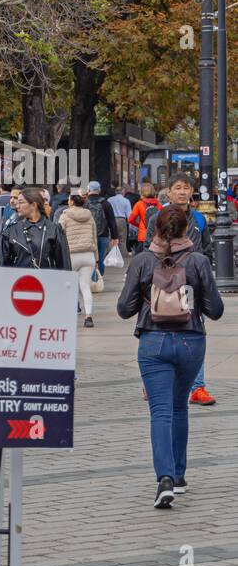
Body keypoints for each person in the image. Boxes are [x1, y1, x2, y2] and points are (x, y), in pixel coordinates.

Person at [116, 205, 224, 508]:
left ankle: (164, 478)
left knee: (160, 411)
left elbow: (124, 309)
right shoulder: (199, 261)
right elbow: (215, 310)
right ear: (186, 229)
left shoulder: (142, 261)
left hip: (153, 342)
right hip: (191, 341)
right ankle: (179, 476)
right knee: (180, 407)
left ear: (154, 229)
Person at [145, 173, 216, 405]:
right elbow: (148, 249)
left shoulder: (198, 218)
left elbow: (206, 248)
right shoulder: (156, 217)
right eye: (177, 188)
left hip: (190, 285)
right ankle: (152, 381)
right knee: (156, 326)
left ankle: (197, 386)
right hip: (162, 282)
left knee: (194, 328)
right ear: (169, 192)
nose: (182, 192)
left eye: (186, 188)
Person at [0, 187, 72, 270]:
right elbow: (1, 266)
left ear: (33, 205)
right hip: (19, 281)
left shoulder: (54, 229)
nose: (17, 206)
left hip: (47, 281)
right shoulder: (11, 230)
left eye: (21, 202)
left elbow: (65, 266)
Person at [57, 186, 99, 327]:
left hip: (71, 255)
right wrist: (97, 257)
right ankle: (88, 317)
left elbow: (59, 236)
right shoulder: (89, 216)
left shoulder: (64, 216)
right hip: (88, 255)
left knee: (69, 285)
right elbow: (94, 237)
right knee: (85, 286)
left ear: (72, 202)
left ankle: (71, 312)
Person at [85, 181, 120, 275]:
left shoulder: (85, 203)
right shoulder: (106, 203)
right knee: (100, 257)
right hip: (103, 234)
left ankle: (92, 279)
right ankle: (99, 278)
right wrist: (114, 237)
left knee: (90, 257)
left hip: (88, 235)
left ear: (88, 190)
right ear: (99, 190)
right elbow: (112, 221)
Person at [128, 183, 161, 253]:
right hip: (156, 235)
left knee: (140, 258)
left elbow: (130, 219)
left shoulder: (139, 204)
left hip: (143, 235)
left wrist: (139, 225)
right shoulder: (158, 204)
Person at [108, 185, 133, 256]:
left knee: (111, 238)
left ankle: (112, 255)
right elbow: (129, 214)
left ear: (115, 192)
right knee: (122, 239)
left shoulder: (110, 200)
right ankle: (122, 256)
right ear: (123, 192)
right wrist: (130, 223)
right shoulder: (126, 200)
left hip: (112, 219)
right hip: (122, 220)